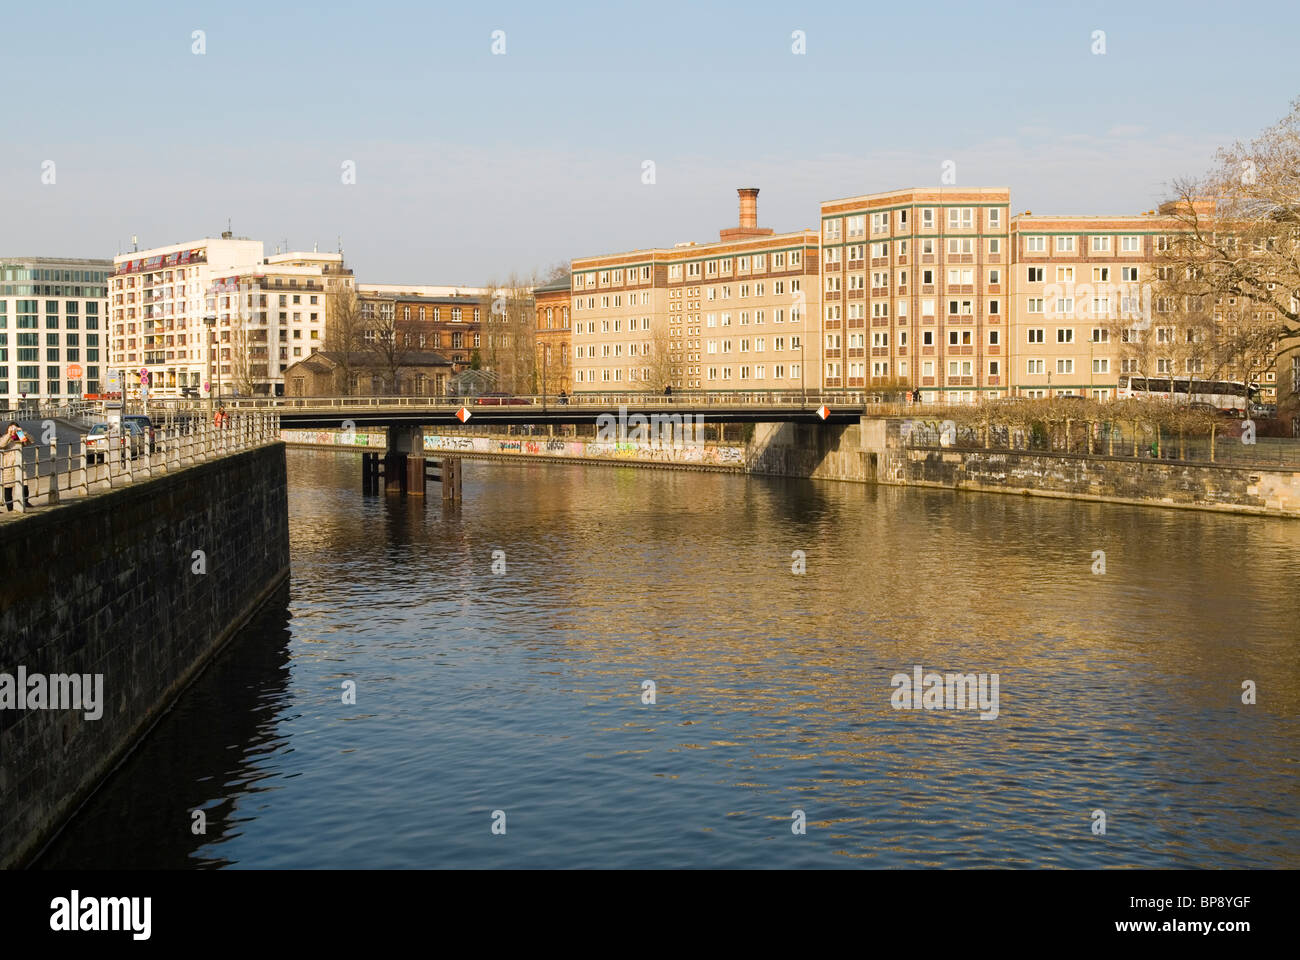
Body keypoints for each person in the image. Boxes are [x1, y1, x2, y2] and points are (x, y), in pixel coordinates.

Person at [1, 421, 32, 511]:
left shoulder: (20, 437)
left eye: (15, 428)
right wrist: (9, 434)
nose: (13, 430)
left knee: (24, 484)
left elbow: (29, 441)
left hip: (20, 464)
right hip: (8, 465)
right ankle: (10, 508)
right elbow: (1, 444)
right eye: (11, 428)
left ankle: (26, 502)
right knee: (8, 488)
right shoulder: (4, 437)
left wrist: (21, 432)